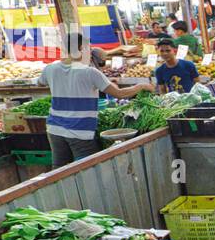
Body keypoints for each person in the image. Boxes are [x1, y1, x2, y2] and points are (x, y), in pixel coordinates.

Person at [39, 34, 155, 167]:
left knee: (59, 169)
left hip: (55, 128)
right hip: (79, 129)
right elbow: (120, 94)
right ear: (81, 48)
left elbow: (40, 83)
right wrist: (141, 86)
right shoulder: (90, 72)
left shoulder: (50, 68)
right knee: (88, 168)